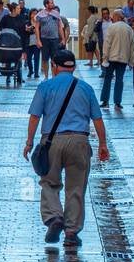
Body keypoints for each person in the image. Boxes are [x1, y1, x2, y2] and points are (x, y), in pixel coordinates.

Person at [23, 47, 110, 249]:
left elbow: (35, 116)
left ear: (54, 66)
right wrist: (103, 145)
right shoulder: (86, 88)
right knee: (76, 188)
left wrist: (29, 142)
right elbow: (97, 119)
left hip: (51, 142)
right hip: (79, 141)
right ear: (73, 67)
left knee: (49, 183)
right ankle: (71, 232)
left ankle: (54, 218)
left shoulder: (46, 87)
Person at [100, 9, 134, 111]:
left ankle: (105, 101)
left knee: (107, 79)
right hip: (123, 59)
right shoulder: (129, 29)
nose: (112, 17)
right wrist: (131, 61)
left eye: (113, 16)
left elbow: (107, 44)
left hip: (111, 58)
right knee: (119, 80)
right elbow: (132, 46)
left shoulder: (112, 28)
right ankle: (117, 103)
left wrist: (105, 58)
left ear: (117, 16)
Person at [33, 0, 65, 79]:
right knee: (45, 59)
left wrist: (63, 39)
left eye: (53, 3)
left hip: (55, 39)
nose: (53, 4)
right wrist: (38, 40)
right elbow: (36, 28)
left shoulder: (56, 14)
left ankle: (54, 76)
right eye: (51, 3)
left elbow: (60, 27)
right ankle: (46, 76)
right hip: (44, 39)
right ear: (46, 4)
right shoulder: (40, 14)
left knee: (54, 59)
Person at [25, 8, 41, 79]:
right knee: (28, 59)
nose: (35, 14)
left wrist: (33, 29)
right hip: (29, 42)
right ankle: (31, 70)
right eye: (33, 13)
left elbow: (40, 31)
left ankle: (36, 73)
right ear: (30, 14)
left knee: (37, 58)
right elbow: (26, 30)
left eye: (36, 13)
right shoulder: (27, 22)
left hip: (37, 42)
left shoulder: (39, 22)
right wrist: (31, 29)